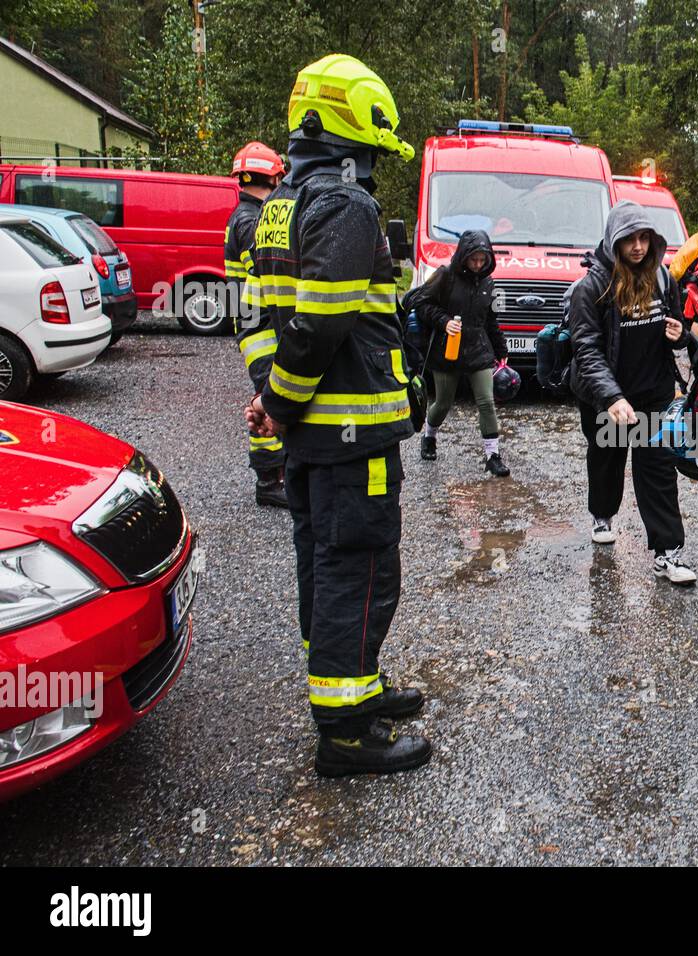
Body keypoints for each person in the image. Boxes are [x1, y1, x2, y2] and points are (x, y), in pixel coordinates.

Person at [243, 53, 429, 778]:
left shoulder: (280, 205)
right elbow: (322, 323)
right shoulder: (346, 205)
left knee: (323, 561)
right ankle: (346, 730)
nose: (376, 165)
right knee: (361, 567)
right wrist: (282, 401)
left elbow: (263, 321)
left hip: (313, 438)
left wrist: (271, 397)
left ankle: (357, 685)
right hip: (353, 434)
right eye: (375, 150)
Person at [569, 200, 697, 585]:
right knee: (607, 460)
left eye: (644, 238)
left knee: (657, 472)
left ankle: (668, 553)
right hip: (606, 398)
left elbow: (678, 331)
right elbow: (587, 350)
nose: (638, 247)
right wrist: (611, 397)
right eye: (629, 239)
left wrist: (680, 338)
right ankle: (602, 514)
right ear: (614, 241)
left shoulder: (663, 279)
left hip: (652, 396)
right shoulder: (591, 287)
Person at [405, 229, 510, 477]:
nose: (477, 264)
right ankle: (429, 437)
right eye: (473, 259)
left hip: (478, 350)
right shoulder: (444, 276)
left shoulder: (488, 282)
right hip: (447, 350)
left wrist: (501, 349)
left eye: (482, 259)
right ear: (463, 256)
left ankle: (492, 456)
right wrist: (444, 321)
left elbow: (490, 320)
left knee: (486, 400)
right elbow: (420, 305)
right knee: (443, 403)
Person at [224, 141, 287, 507]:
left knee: (272, 394)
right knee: (270, 397)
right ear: (274, 176)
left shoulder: (243, 216)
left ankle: (275, 472)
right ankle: (269, 480)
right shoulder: (251, 221)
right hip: (259, 325)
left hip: (252, 320)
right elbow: (267, 270)